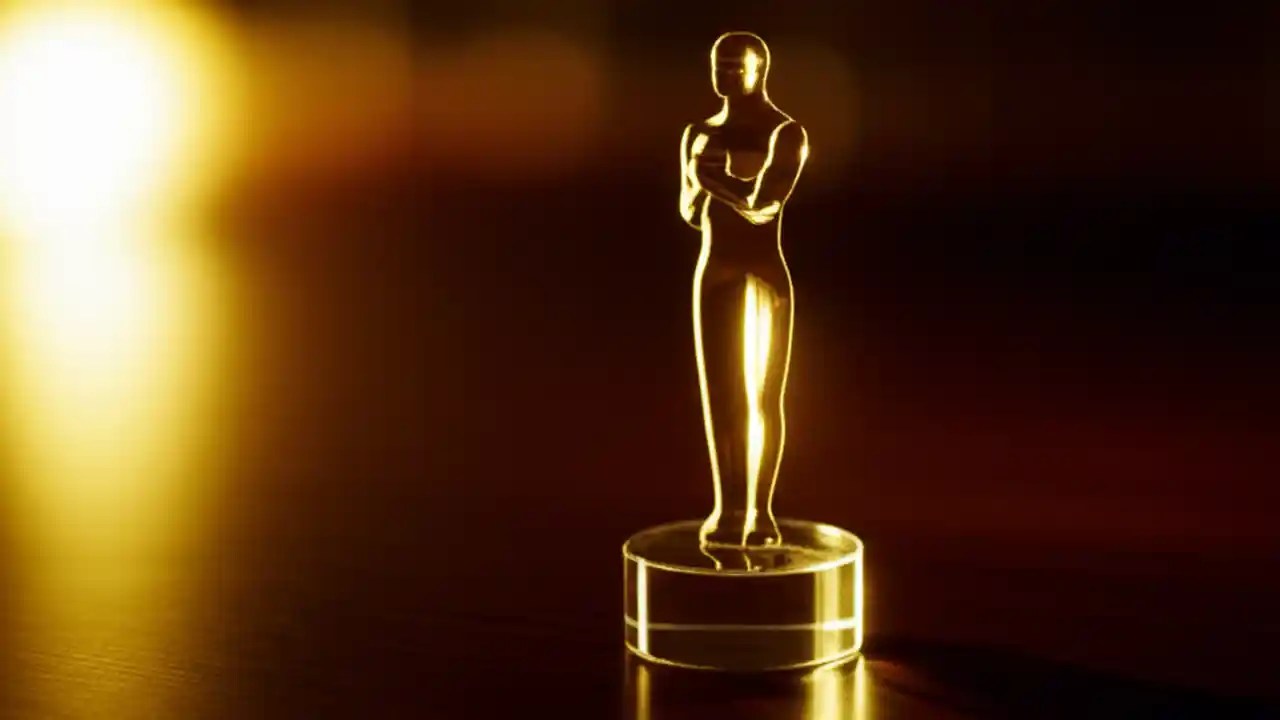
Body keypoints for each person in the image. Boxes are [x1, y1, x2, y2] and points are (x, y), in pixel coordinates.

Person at [680, 32, 809, 552]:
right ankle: (729, 509)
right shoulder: (698, 131)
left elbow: (764, 205)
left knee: (761, 395)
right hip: (714, 268)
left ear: (761, 69)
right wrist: (697, 180)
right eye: (720, 65)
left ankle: (762, 512)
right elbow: (689, 211)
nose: (727, 74)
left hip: (762, 272)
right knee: (721, 395)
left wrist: (712, 179)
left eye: (737, 65)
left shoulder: (785, 132)